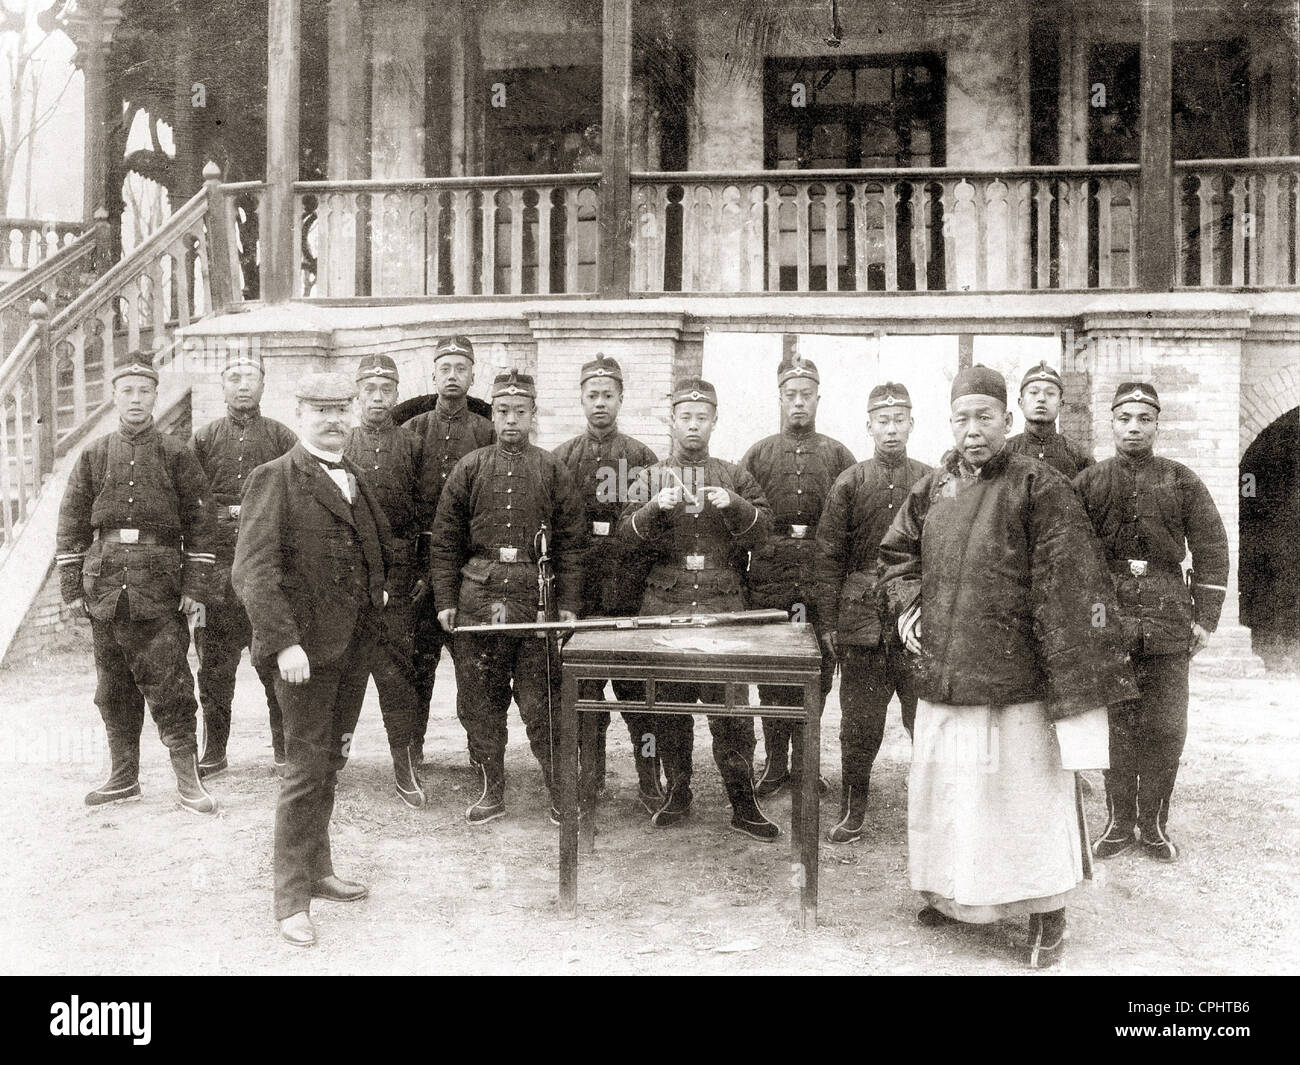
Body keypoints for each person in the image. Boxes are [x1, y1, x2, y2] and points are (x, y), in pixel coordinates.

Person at [879, 364, 1136, 969]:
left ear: (1007, 420)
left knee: (1023, 800)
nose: (973, 431)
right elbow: (896, 554)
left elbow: (1070, 583)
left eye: (985, 418)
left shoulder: (1039, 484)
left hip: (1016, 678)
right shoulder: (934, 486)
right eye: (962, 418)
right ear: (951, 423)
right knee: (954, 794)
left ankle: (1048, 914)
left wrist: (1068, 682)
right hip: (946, 670)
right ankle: (953, 896)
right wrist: (909, 601)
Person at [233, 372, 394, 948]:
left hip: (351, 651)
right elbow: (253, 572)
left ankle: (320, 871)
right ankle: (290, 902)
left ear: (351, 413)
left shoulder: (355, 476)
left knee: (330, 764)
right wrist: (285, 643)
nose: (331, 418)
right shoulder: (273, 478)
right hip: (303, 655)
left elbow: (370, 554)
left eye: (339, 408)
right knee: (304, 772)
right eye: (319, 408)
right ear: (299, 412)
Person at [616, 377, 778, 841]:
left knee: (730, 708)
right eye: (685, 418)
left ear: (714, 421)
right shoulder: (650, 476)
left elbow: (764, 534)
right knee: (669, 707)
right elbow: (625, 542)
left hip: (722, 604)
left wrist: (736, 505)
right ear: (672, 421)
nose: (693, 426)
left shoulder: (734, 475)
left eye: (701, 418)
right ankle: (678, 792)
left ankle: (743, 804)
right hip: (665, 602)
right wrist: (652, 509)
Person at [1073, 382, 1229, 863]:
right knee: (1117, 723)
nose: (1134, 427)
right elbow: (1071, 554)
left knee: (1165, 726)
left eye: (1144, 418)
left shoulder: (1181, 480)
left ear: (1157, 424)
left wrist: (1204, 620)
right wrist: (1085, 620)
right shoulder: (1090, 482)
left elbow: (1211, 548)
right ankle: (1119, 822)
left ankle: (1154, 822)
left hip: (1167, 613)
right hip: (1109, 614)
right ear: (1112, 423)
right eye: (1125, 418)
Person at [55, 356, 218, 814]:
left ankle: (188, 781)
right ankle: (123, 777)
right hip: (104, 586)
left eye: (144, 391)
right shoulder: (93, 453)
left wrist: (195, 586)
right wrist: (72, 587)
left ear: (155, 396)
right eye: (126, 390)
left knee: (170, 683)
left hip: (158, 585)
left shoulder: (175, 453)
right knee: (112, 688)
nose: (135, 399)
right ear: (114, 395)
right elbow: (70, 523)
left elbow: (202, 523)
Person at [428, 370, 587, 825]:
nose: (511, 420)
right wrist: (446, 601)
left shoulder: (552, 469)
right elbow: (445, 541)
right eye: (502, 411)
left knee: (543, 704)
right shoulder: (470, 467)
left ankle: (560, 793)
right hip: (479, 599)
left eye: (520, 411)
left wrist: (569, 603)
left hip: (535, 600)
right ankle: (490, 790)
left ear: (533, 415)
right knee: (480, 702)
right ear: (492, 415)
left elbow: (573, 542)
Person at [816, 382, 931, 843]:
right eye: (882, 421)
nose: (890, 429)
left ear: (911, 424)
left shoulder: (931, 480)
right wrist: (827, 622)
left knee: (925, 719)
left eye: (898, 419)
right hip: (862, 619)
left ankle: (933, 809)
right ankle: (853, 807)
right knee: (860, 722)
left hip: (918, 618)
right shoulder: (850, 482)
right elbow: (827, 557)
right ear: (868, 426)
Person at [739, 354, 854, 799]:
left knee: (818, 673)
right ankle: (775, 764)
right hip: (772, 575)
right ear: (781, 399)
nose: (799, 403)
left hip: (820, 574)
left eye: (807, 396)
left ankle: (807, 764)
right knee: (773, 675)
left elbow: (847, 524)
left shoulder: (838, 455)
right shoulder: (759, 453)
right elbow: (743, 522)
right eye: (792, 396)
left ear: (818, 399)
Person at [551, 354, 664, 809]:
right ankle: (590, 779)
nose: (600, 403)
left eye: (608, 396)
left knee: (639, 694)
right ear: (581, 399)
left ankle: (649, 779)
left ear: (621, 399)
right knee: (584, 691)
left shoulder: (641, 458)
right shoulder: (562, 458)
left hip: (629, 588)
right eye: (592, 395)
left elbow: (656, 530)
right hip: (581, 589)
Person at [188, 350, 296, 776]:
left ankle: (284, 748)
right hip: (217, 575)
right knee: (214, 670)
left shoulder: (282, 437)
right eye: (234, 377)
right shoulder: (203, 439)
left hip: (267, 574)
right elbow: (190, 509)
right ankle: (214, 749)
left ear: (264, 384)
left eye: (251, 376)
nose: (243, 385)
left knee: (276, 665)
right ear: (222, 386)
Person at [404, 335, 495, 770]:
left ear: (473, 374)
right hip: (422, 565)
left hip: (469, 568)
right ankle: (412, 749)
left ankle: (480, 754)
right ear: (434, 374)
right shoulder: (413, 430)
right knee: (418, 662)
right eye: (445, 368)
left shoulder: (487, 431)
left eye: (461, 367)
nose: (453, 375)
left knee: (472, 666)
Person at [343, 354, 427, 808]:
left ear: (396, 394)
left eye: (386, 390)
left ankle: (404, 766)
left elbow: (427, 514)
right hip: (351, 582)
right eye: (369, 390)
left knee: (396, 677)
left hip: (395, 580)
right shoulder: (344, 445)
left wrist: (419, 572)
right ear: (357, 393)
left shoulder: (412, 445)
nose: (378, 398)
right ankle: (333, 765)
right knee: (343, 677)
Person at [1005, 361, 1093, 477]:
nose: (1041, 398)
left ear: (1061, 403)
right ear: (1021, 402)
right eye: (1033, 392)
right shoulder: (1006, 452)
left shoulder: (1078, 455)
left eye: (1050, 393)